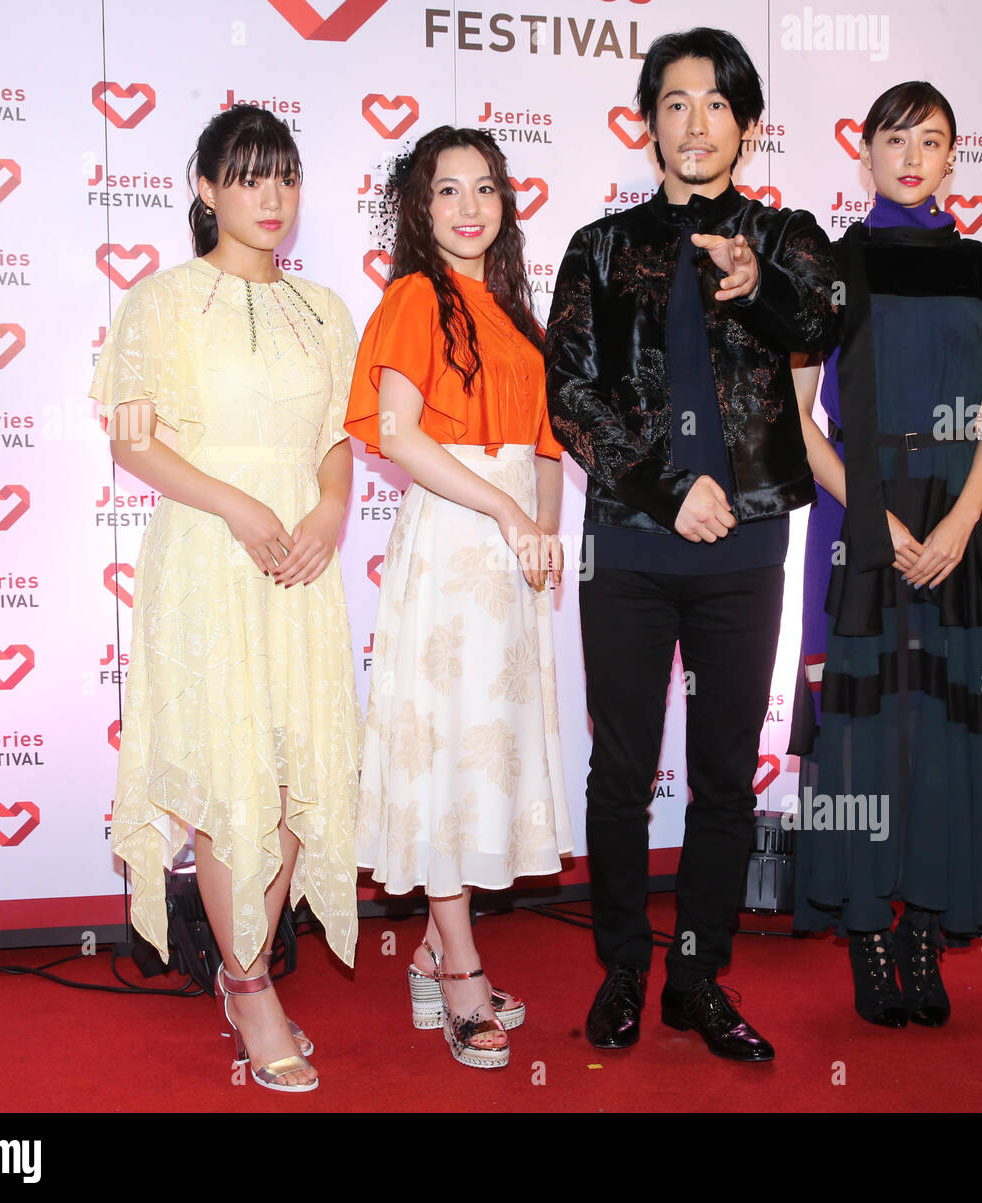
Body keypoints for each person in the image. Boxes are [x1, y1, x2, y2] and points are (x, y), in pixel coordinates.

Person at [545, 27, 839, 1062]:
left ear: (747, 124)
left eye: (716, 103)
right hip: (630, 540)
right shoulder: (597, 245)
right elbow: (570, 397)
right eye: (674, 103)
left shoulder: (786, 236)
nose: (695, 122)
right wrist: (668, 491)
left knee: (722, 776)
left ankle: (698, 976)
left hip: (746, 547)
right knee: (620, 771)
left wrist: (752, 278)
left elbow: (825, 313)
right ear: (648, 122)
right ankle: (624, 965)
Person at [92, 104, 362, 1093]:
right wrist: (240, 506)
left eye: (284, 176)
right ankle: (247, 982)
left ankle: (252, 960)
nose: (271, 197)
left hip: (301, 562)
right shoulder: (158, 302)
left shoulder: (326, 309)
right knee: (226, 772)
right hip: (209, 558)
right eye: (248, 177)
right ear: (205, 189)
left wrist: (330, 507)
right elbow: (132, 439)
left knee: (295, 769)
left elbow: (338, 433)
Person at [788, 81, 982, 1028]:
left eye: (929, 142)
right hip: (863, 526)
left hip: (960, 531)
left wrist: (961, 521)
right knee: (859, 742)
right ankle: (865, 930)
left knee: (947, 738)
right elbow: (800, 422)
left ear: (950, 158)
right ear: (866, 153)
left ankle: (924, 935)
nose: (910, 156)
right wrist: (880, 522)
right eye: (894, 139)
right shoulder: (829, 267)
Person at [345, 126, 573, 1071]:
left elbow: (546, 446)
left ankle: (436, 949)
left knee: (484, 757)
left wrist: (543, 532)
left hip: (512, 561)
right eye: (449, 191)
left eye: (486, 188)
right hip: (451, 543)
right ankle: (462, 973)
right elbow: (399, 435)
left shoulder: (515, 313)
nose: (471, 207)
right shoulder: (412, 297)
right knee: (443, 751)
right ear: (419, 207)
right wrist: (506, 513)